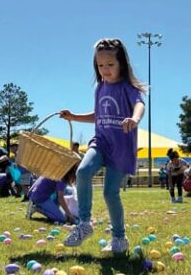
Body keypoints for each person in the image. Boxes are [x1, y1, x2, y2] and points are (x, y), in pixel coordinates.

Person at [59, 37, 146, 254]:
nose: (105, 70)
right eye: (100, 65)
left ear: (121, 64)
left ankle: (119, 238)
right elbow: (98, 115)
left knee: (110, 193)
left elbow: (139, 104)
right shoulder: (100, 88)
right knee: (83, 171)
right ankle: (85, 224)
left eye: (110, 65)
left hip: (121, 146)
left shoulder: (127, 87)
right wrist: (74, 117)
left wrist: (134, 119)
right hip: (101, 141)